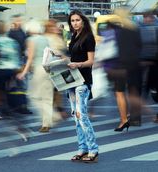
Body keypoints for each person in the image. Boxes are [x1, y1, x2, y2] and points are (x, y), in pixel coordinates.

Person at [67, 10, 99, 163]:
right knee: (76, 118)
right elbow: (73, 57)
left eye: (77, 20)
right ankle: (82, 148)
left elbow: (90, 61)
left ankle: (93, 149)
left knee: (82, 117)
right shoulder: (73, 36)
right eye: (72, 21)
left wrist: (78, 64)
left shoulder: (88, 37)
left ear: (83, 21)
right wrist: (61, 58)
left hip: (83, 81)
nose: (75, 23)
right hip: (71, 82)